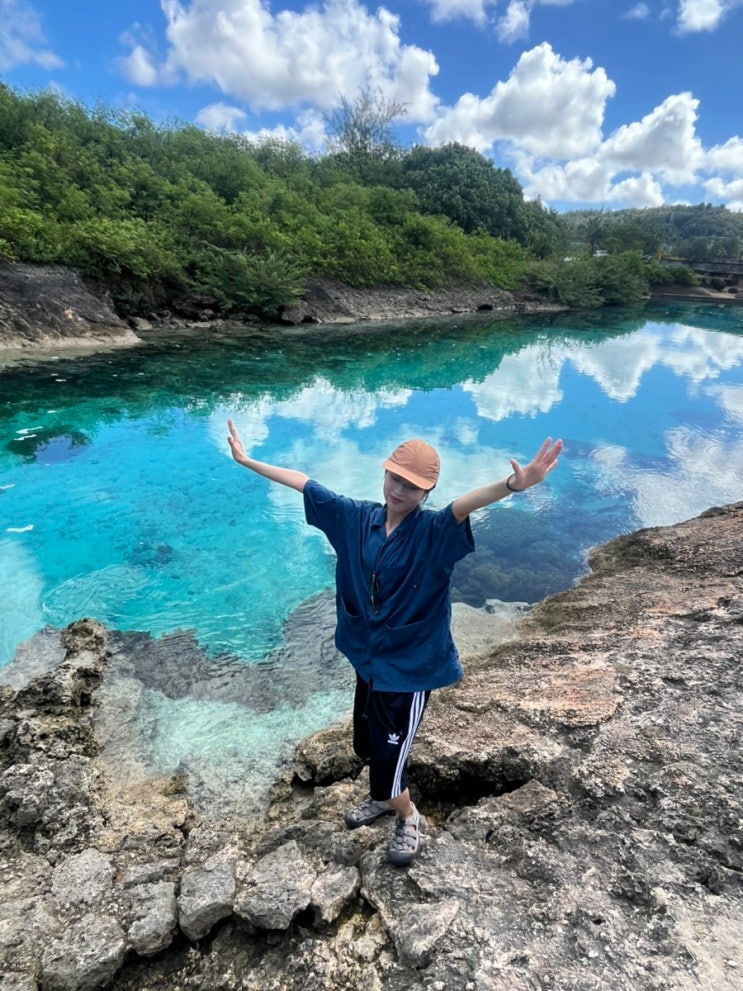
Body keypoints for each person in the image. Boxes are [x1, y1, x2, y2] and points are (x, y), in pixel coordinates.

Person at [227, 419, 562, 866]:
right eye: (395, 478)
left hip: (409, 667)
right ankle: (386, 797)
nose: (400, 490)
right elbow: (306, 483)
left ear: (427, 492)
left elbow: (463, 506)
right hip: (368, 660)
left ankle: (406, 814)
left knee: (387, 758)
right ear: (384, 474)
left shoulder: (434, 533)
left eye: (412, 486)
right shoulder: (355, 518)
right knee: (365, 746)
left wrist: (513, 485)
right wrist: (248, 462)